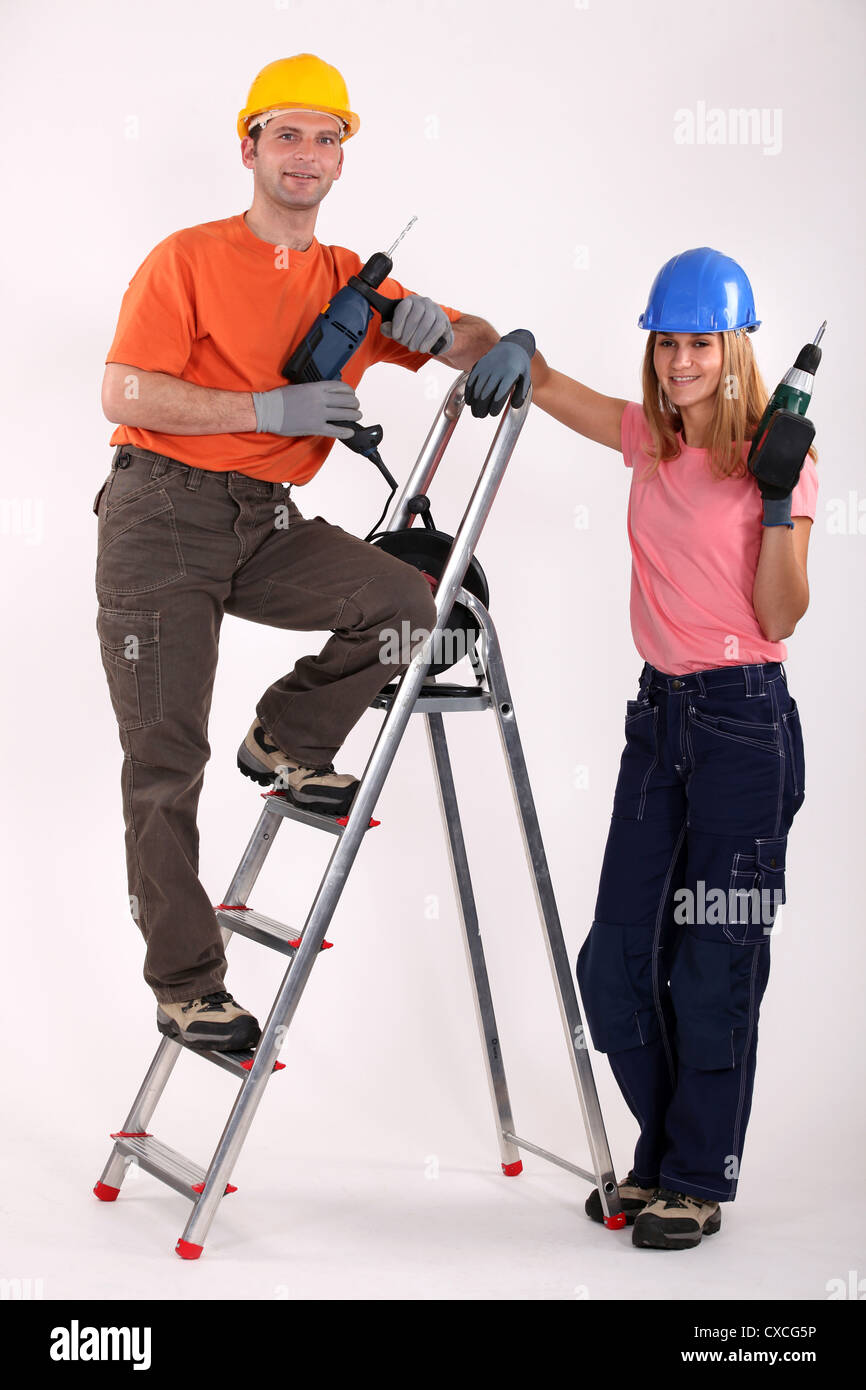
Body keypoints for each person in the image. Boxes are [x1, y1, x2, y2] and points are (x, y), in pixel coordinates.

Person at [94, 54, 533, 1055]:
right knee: (164, 764)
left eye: (325, 136)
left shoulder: (348, 285)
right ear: (249, 147)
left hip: (263, 518)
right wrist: (263, 407)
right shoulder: (187, 258)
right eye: (286, 133)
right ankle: (187, 985)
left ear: (342, 158)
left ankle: (285, 741)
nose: (306, 153)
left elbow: (467, 339)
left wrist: (484, 334)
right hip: (159, 513)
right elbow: (123, 393)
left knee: (408, 605)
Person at [511, 247, 817, 1250]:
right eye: (667, 340)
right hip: (657, 723)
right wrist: (494, 344)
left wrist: (773, 501)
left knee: (712, 961)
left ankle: (691, 1175)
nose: (681, 359)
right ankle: (667, 1151)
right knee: (611, 963)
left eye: (700, 342)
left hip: (743, 725)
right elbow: (548, 384)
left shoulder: (780, 457)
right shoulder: (647, 438)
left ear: (734, 349)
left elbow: (780, 613)